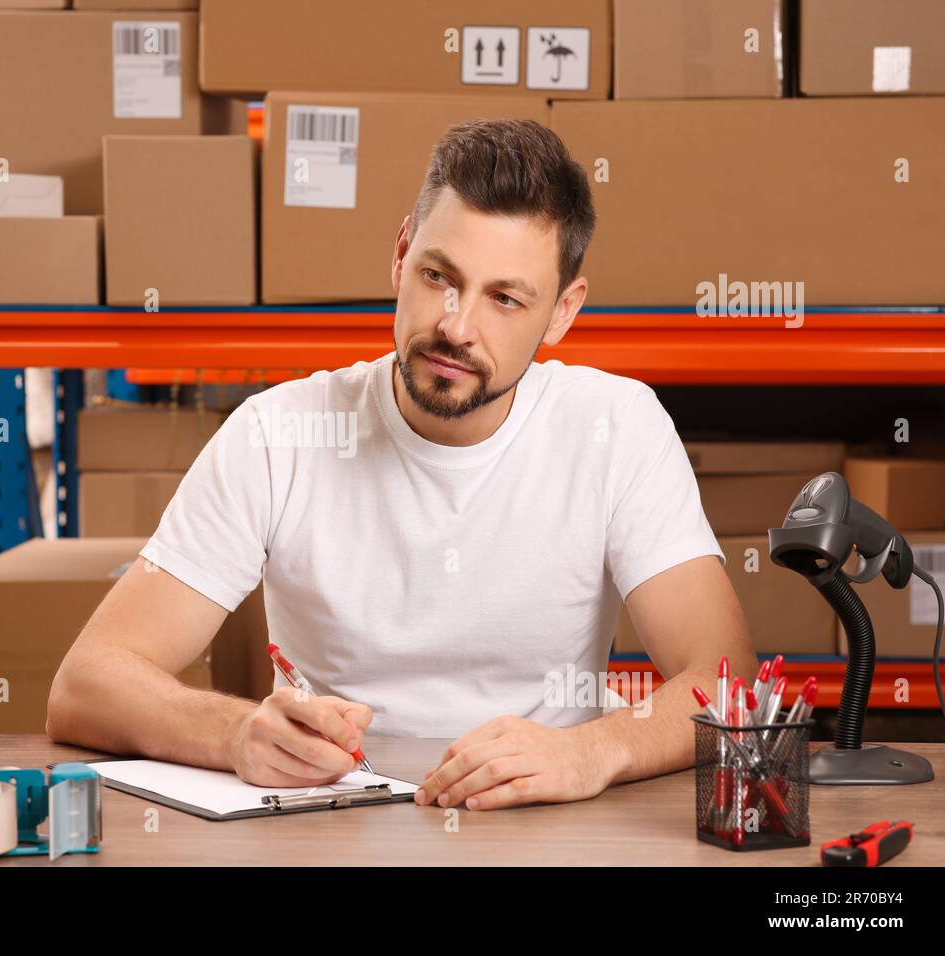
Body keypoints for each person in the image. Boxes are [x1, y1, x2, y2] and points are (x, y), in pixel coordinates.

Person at [48, 118, 758, 810]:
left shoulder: (615, 426)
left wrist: (591, 750)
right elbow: (85, 684)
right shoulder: (277, 435)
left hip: (541, 822)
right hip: (332, 822)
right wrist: (233, 730)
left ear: (564, 312)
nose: (456, 324)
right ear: (400, 252)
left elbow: (727, 683)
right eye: (437, 275)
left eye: (506, 298)